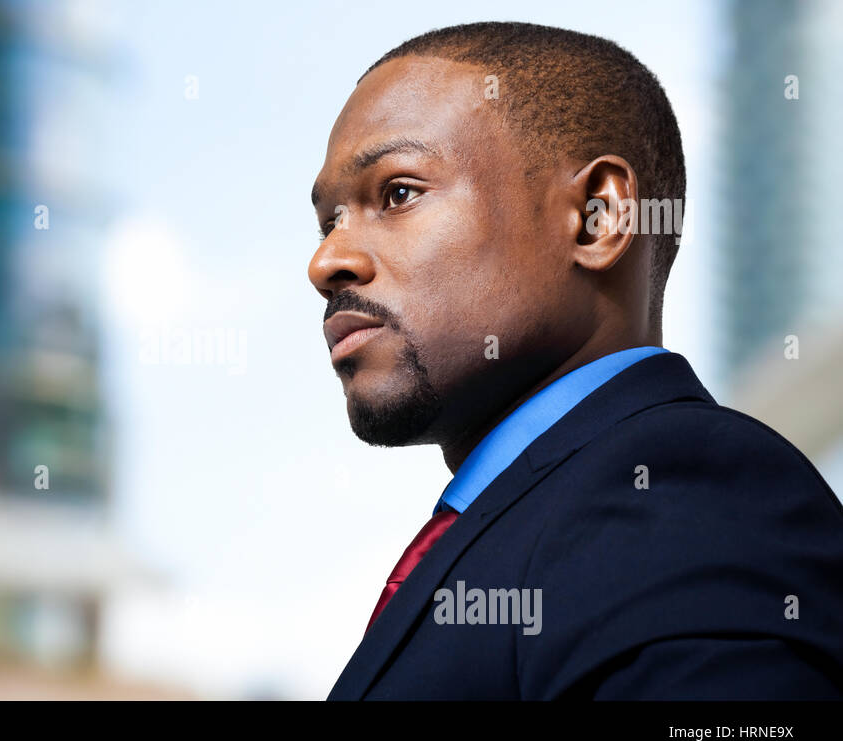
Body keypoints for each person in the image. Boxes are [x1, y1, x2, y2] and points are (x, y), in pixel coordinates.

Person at [308, 21, 843, 700]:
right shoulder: (533, 521)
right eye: (329, 222)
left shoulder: (675, 492)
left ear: (597, 217)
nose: (326, 263)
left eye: (398, 193)